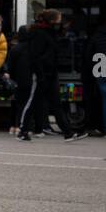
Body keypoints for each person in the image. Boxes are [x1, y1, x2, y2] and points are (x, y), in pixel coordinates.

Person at [20, 9, 84, 141]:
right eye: (59, 19)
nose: (60, 22)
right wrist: (39, 73)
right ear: (52, 20)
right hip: (42, 74)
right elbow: (35, 56)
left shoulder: (50, 33)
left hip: (51, 73)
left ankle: (68, 132)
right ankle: (23, 130)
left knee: (56, 103)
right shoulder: (39, 34)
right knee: (33, 102)